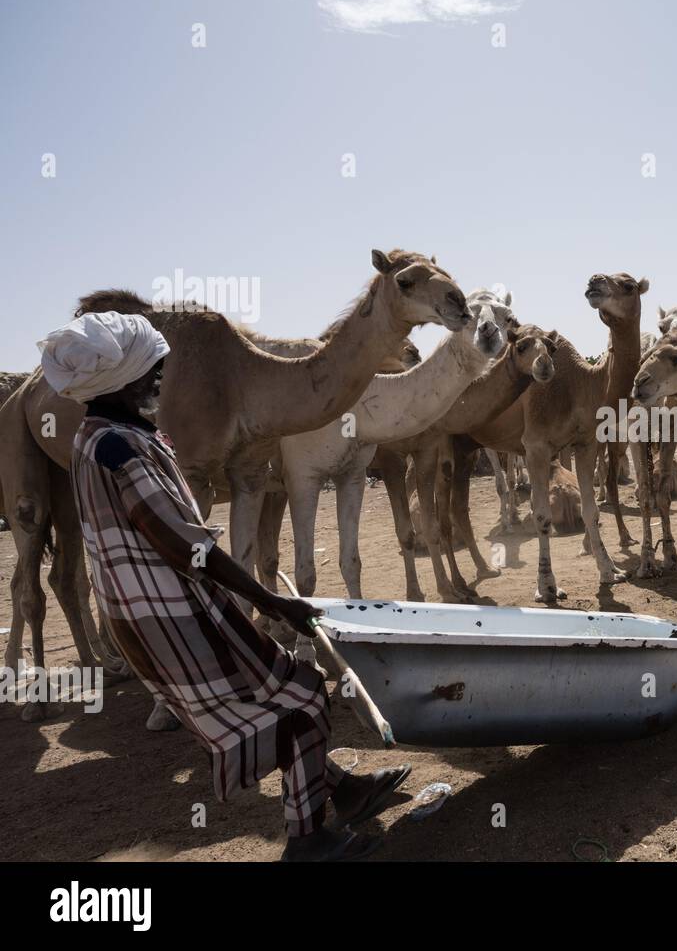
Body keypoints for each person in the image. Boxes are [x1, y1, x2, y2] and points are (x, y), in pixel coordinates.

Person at [40, 311, 410, 861]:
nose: (162, 381)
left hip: (163, 609)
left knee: (285, 690)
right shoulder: (120, 449)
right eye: (152, 373)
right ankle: (307, 842)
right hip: (170, 614)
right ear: (120, 383)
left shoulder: (104, 436)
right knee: (303, 696)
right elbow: (186, 544)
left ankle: (345, 792)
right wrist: (272, 600)